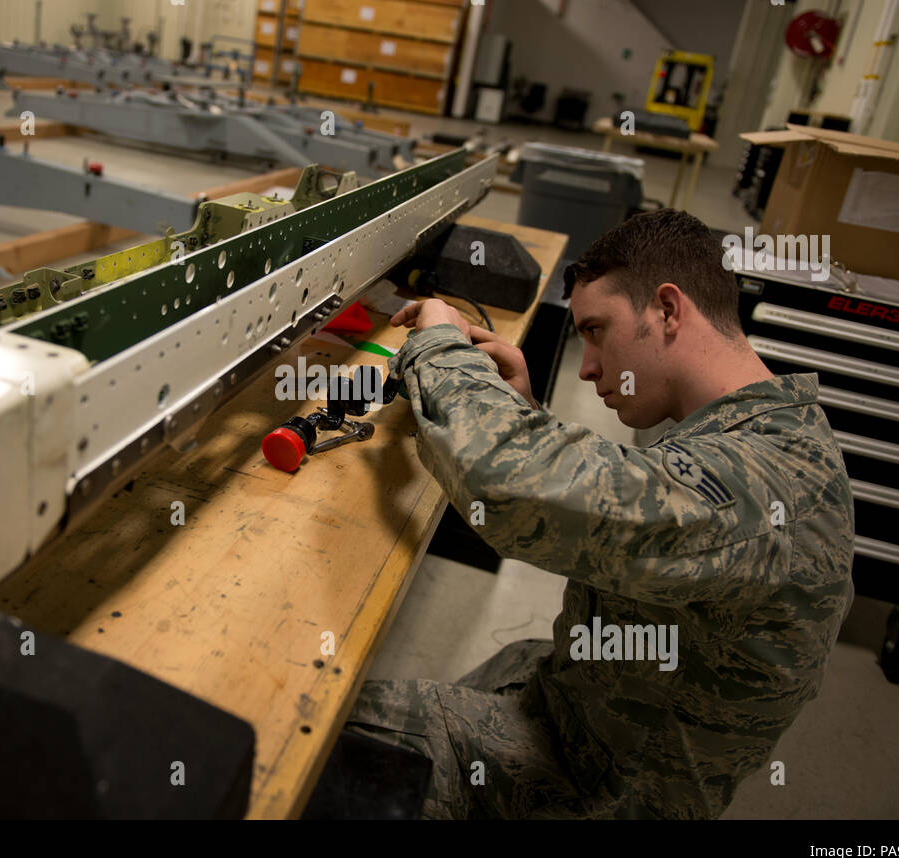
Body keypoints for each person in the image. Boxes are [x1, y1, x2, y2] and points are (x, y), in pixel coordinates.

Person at [343, 209, 854, 818]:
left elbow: (507, 489)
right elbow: (642, 496)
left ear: (668, 310)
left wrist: (438, 342)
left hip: (592, 790)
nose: (587, 368)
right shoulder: (768, 428)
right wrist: (525, 415)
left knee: (317, 732)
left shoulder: (767, 489)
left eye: (597, 330)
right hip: (587, 701)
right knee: (512, 660)